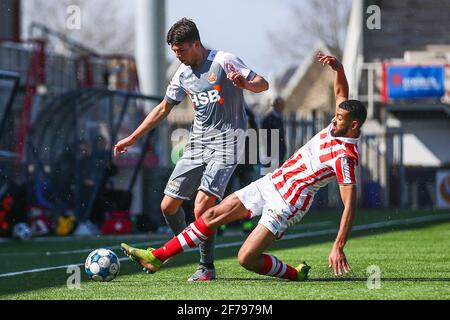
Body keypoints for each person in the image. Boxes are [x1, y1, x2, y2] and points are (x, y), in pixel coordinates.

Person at [121, 53, 367, 281]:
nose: (334, 120)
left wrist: (338, 246)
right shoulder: (341, 121)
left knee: (246, 258)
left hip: (289, 202)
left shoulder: (345, 157)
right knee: (210, 215)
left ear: (354, 126)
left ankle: (295, 274)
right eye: (335, 115)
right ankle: (158, 256)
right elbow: (340, 94)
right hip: (272, 182)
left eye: (340, 119)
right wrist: (338, 69)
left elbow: (350, 205)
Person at [114, 18, 269, 282]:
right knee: (168, 206)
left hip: (227, 142)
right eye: (174, 52)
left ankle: (205, 267)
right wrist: (133, 137)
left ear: (195, 44)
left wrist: (245, 85)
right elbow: (163, 109)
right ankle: (180, 244)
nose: (178, 56)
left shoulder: (225, 60)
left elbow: (262, 83)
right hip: (197, 143)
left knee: (201, 208)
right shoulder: (181, 74)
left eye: (181, 51)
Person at [261, 96, 287, 169]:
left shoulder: (278, 118)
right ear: (275, 105)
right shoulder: (269, 119)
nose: (282, 108)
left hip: (279, 154)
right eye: (280, 105)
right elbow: (265, 138)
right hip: (272, 155)